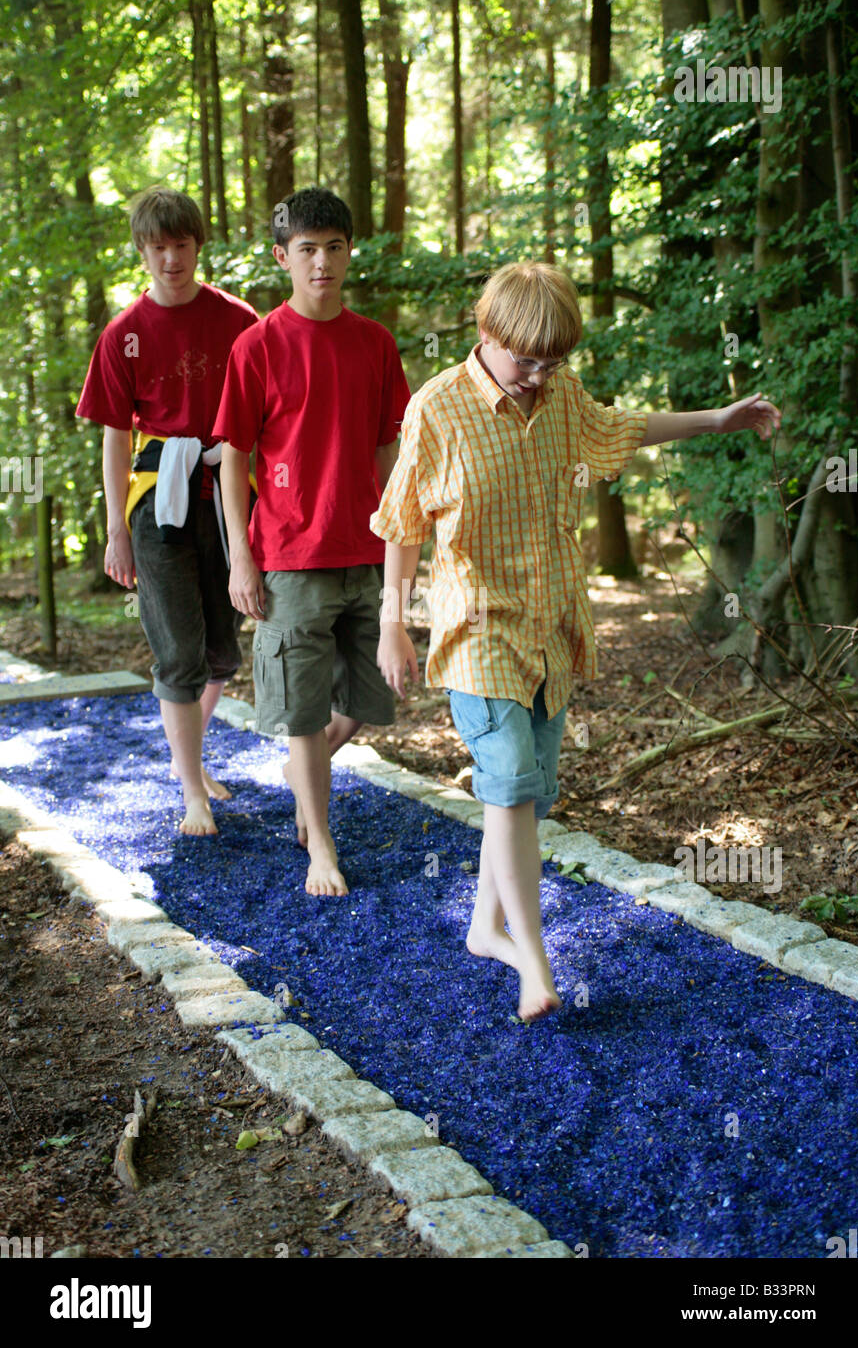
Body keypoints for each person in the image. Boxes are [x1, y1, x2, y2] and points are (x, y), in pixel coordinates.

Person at [373, 261, 781, 1022]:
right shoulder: (435, 409)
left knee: (525, 793)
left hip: (553, 623)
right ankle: (533, 960)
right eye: (526, 359)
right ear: (486, 334)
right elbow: (402, 529)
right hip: (477, 628)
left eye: (553, 361)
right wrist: (393, 623)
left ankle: (485, 926)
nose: (538, 374)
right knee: (511, 782)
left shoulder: (561, 398)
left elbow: (624, 426)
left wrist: (716, 418)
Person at [215, 187, 411, 899]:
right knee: (300, 710)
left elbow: (393, 447)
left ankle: (307, 774)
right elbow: (233, 456)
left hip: (368, 550)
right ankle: (320, 845)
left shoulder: (377, 342)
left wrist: (406, 536)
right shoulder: (256, 346)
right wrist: (242, 554)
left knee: (367, 702)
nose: (321, 262)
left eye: (333, 247)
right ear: (282, 258)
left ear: (349, 252)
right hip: (290, 556)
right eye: (307, 249)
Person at [76, 187, 258, 837]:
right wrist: (116, 531)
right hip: (157, 498)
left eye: (181, 246)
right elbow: (115, 437)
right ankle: (191, 793)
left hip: (228, 490)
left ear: (196, 246)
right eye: (158, 248)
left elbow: (267, 413)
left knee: (221, 650)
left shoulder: (239, 321)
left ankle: (191, 756)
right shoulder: (123, 335)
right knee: (178, 651)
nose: (171, 260)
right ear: (142, 253)